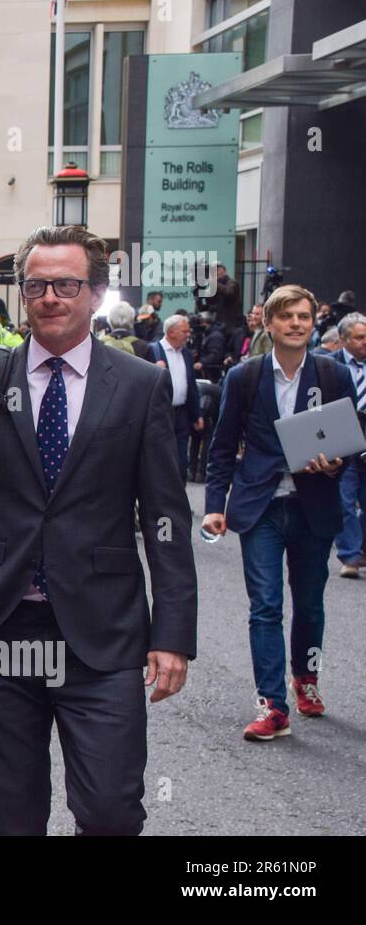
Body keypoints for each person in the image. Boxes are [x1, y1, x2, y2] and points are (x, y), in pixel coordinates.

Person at [0, 225, 197, 835]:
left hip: (102, 635)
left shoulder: (139, 385)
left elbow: (166, 519)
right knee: (12, 816)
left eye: (66, 284)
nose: (50, 297)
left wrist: (173, 632)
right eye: (37, 285)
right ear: (22, 293)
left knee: (110, 810)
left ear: (94, 293)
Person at [204, 285, 355, 741]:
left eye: (304, 316)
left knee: (309, 604)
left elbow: (346, 440)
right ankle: (272, 705)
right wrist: (214, 507)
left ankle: (305, 680)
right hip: (261, 506)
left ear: (313, 324)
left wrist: (337, 461)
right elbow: (223, 446)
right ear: (268, 323)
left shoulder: (331, 374)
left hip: (314, 506)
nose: (296, 323)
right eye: (286, 316)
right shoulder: (244, 378)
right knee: (265, 607)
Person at [330, 312, 366, 578]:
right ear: (343, 340)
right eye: (360, 337)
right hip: (342, 435)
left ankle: (362, 549)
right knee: (344, 497)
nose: (365, 342)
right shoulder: (329, 365)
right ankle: (350, 555)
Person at [150, 314, 204, 483]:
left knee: (181, 460)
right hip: (160, 414)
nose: (188, 334)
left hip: (181, 413)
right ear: (171, 332)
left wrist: (197, 414)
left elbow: (191, 385)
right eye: (184, 331)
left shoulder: (186, 354)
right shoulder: (152, 351)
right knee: (159, 459)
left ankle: (179, 503)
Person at [197, 311, 229, 381]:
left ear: (205, 322)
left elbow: (215, 355)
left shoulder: (215, 336)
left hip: (212, 373)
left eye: (201, 322)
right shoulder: (207, 334)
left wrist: (202, 362)